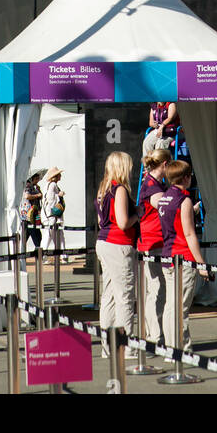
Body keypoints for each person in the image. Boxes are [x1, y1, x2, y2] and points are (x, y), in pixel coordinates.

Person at [150, 160, 209, 352]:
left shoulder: (164, 198)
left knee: (170, 305)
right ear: (185, 177)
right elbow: (190, 234)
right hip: (183, 257)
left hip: (168, 256)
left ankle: (171, 347)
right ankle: (181, 350)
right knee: (180, 308)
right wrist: (201, 264)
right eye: (190, 175)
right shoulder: (184, 200)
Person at [95, 151, 139, 357]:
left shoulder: (103, 189)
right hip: (119, 244)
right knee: (124, 296)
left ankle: (107, 345)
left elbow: (99, 221)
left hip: (104, 242)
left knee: (110, 295)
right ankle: (125, 344)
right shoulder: (119, 189)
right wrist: (138, 213)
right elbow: (123, 222)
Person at [138, 147, 171, 346]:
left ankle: (154, 333)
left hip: (153, 240)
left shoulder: (151, 182)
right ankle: (155, 335)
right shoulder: (152, 186)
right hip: (153, 242)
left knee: (155, 289)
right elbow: (165, 208)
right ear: (165, 165)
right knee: (157, 289)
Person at [42, 166, 66, 258]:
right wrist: (59, 195)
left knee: (58, 235)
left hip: (51, 215)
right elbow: (50, 199)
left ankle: (63, 255)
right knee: (49, 235)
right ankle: (43, 255)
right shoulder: (53, 185)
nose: (60, 176)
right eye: (59, 174)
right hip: (52, 216)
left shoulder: (49, 185)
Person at [19, 172, 44, 253]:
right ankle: (38, 250)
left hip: (32, 213)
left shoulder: (34, 187)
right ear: (32, 178)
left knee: (28, 234)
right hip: (29, 214)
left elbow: (40, 196)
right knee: (35, 233)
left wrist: (39, 191)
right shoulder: (28, 186)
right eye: (36, 179)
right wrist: (37, 195)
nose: (37, 180)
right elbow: (27, 196)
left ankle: (21, 250)